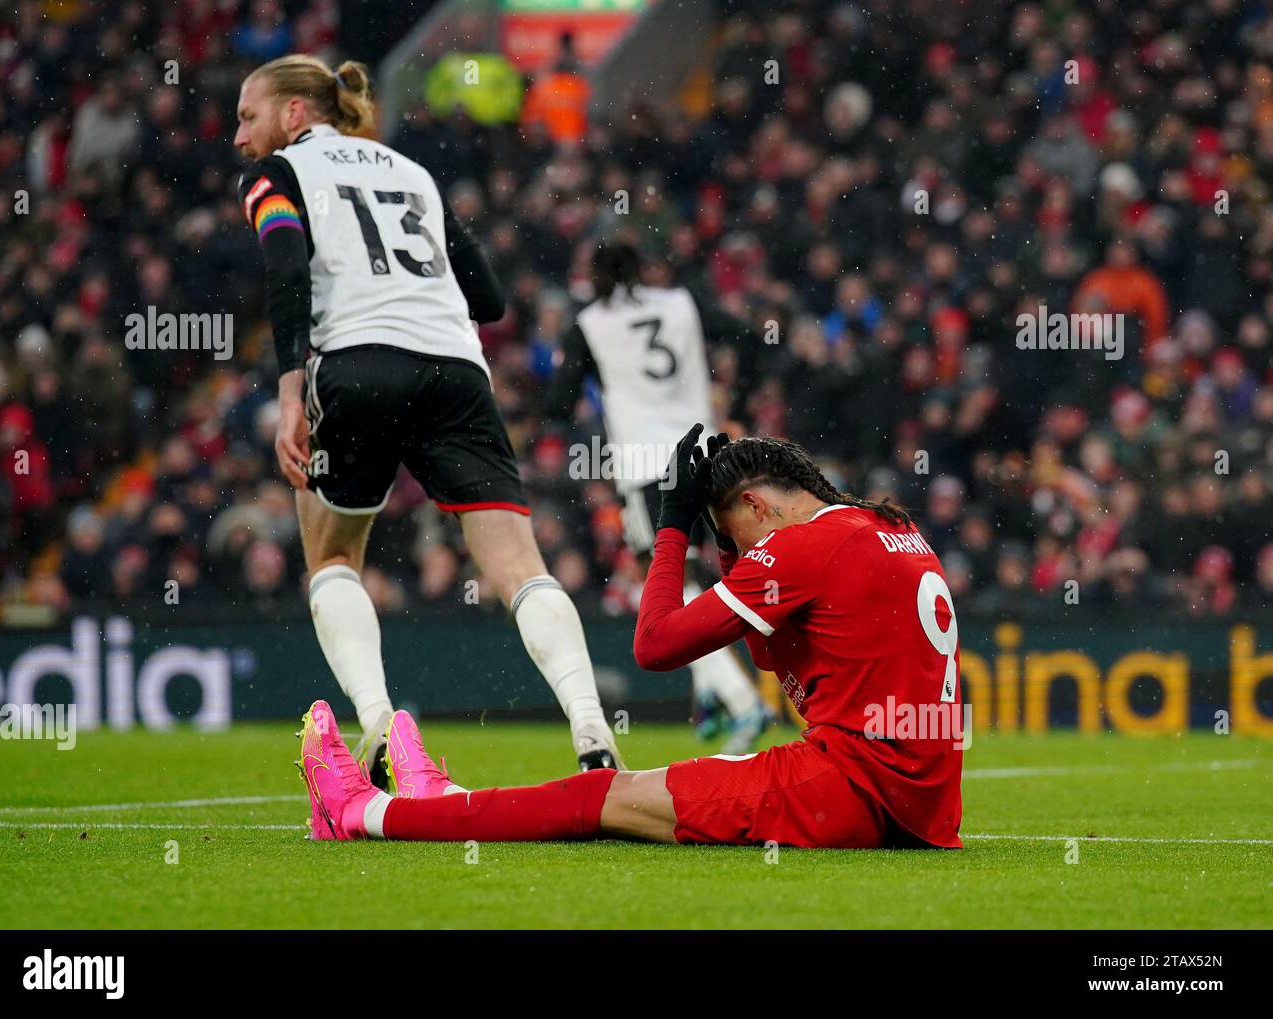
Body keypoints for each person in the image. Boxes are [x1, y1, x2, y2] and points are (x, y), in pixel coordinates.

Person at [295, 427, 964, 849]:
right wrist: (732, 555)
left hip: (849, 791)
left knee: (602, 797)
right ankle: (436, 801)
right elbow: (772, 652)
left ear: (758, 504)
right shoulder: (888, 526)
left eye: (732, 534)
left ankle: (365, 811)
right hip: (920, 802)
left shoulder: (805, 548)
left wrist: (672, 528)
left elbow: (656, 644)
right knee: (616, 798)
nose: (737, 551)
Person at [234, 54, 623, 779]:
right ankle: (592, 726)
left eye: (247, 116)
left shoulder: (278, 174)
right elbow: (491, 300)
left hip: (355, 364)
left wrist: (292, 391)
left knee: (334, 557)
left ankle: (381, 727)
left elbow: (285, 272)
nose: (238, 135)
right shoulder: (411, 173)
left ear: (294, 115)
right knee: (518, 564)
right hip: (455, 370)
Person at [549, 241, 771, 753]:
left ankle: (741, 701)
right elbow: (750, 338)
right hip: (707, 452)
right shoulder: (681, 303)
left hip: (648, 466)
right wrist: (734, 400)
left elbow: (556, 403)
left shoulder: (591, 324)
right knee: (698, 573)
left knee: (667, 579)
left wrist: (593, 393)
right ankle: (711, 699)